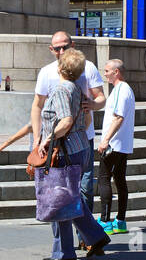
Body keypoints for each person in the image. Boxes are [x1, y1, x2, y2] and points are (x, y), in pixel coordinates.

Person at [37, 47, 111, 260]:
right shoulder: (79, 89)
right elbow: (86, 120)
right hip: (80, 146)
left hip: (64, 150)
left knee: (59, 200)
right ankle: (96, 236)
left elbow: (66, 120)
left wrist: (47, 138)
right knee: (71, 197)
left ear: (60, 67)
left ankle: (64, 252)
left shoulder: (61, 90)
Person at [31, 31, 105, 215]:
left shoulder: (87, 67)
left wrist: (94, 104)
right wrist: (36, 138)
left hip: (81, 139)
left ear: (73, 45)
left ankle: (84, 238)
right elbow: (37, 105)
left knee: (85, 187)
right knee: (58, 190)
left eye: (66, 46)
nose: (62, 50)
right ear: (51, 49)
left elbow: (101, 98)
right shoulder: (47, 72)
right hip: (56, 143)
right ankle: (76, 235)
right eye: (57, 48)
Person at [97, 58, 136, 234]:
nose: (105, 74)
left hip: (114, 144)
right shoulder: (123, 90)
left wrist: (106, 140)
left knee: (104, 179)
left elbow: (118, 117)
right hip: (123, 144)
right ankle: (120, 220)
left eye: (107, 71)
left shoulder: (121, 89)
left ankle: (105, 220)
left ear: (116, 72)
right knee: (120, 180)